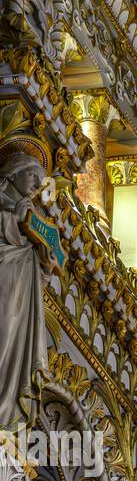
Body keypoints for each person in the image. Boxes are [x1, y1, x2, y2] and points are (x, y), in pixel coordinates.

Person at [0, 151, 49, 430]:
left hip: (21, 300)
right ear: (13, 172)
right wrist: (12, 220)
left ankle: (5, 415)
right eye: (32, 174)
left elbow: (37, 285)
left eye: (41, 180)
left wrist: (44, 266)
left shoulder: (32, 216)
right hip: (3, 282)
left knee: (11, 342)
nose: (36, 183)